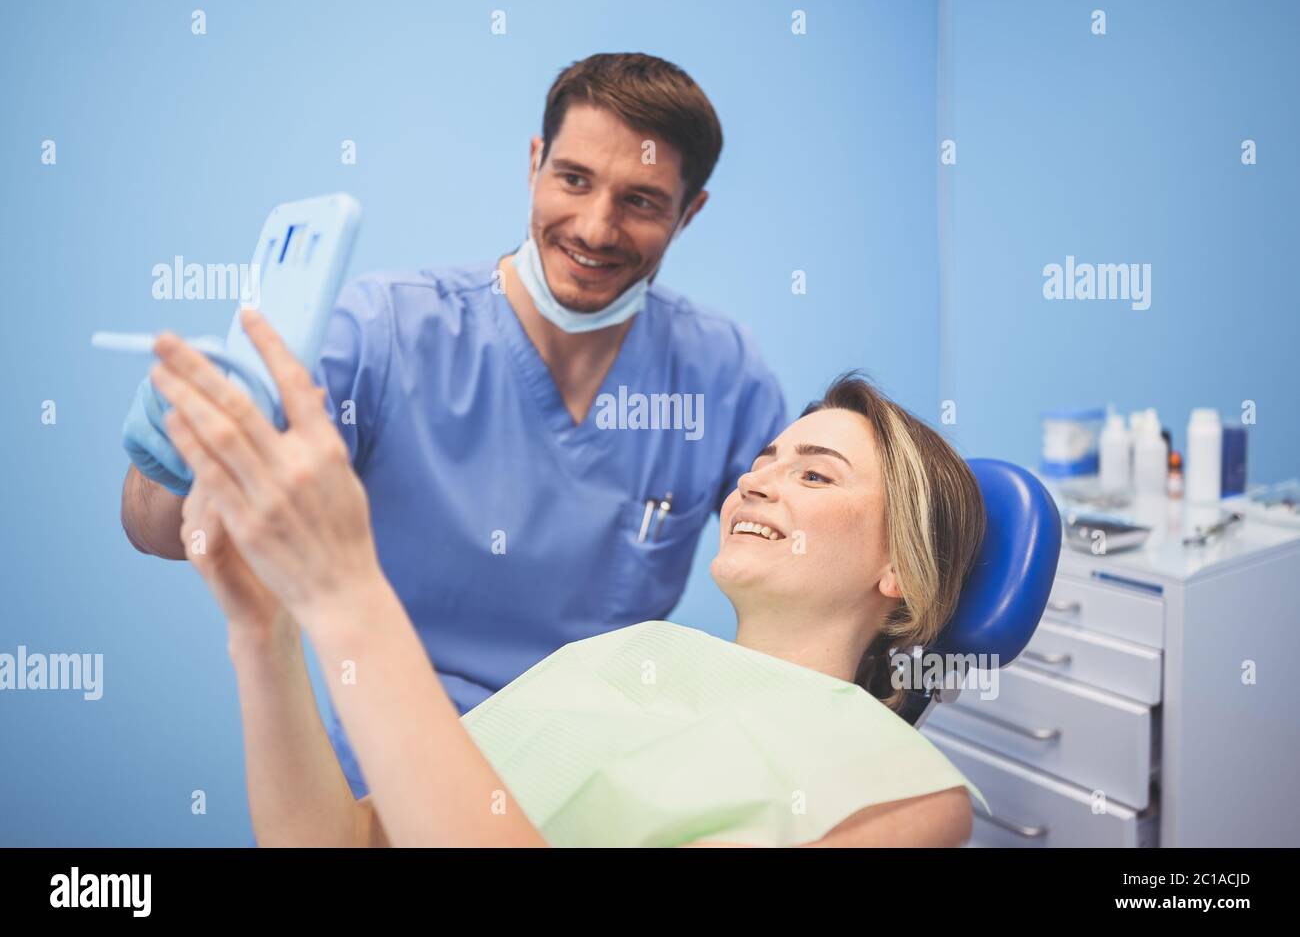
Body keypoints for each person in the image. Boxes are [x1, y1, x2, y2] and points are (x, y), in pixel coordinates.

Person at [117, 53, 787, 798]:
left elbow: (815, 568)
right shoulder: (384, 334)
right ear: (534, 163)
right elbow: (170, 534)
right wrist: (176, 457)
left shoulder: (721, 374)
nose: (596, 227)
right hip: (394, 789)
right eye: (573, 179)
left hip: (605, 800)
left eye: (640, 201)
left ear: (688, 211)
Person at [147, 310, 987, 847]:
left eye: (816, 475)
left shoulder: (900, 796)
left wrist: (347, 592)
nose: (757, 480)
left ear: (902, 572)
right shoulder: (624, 656)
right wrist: (265, 629)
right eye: (766, 459)